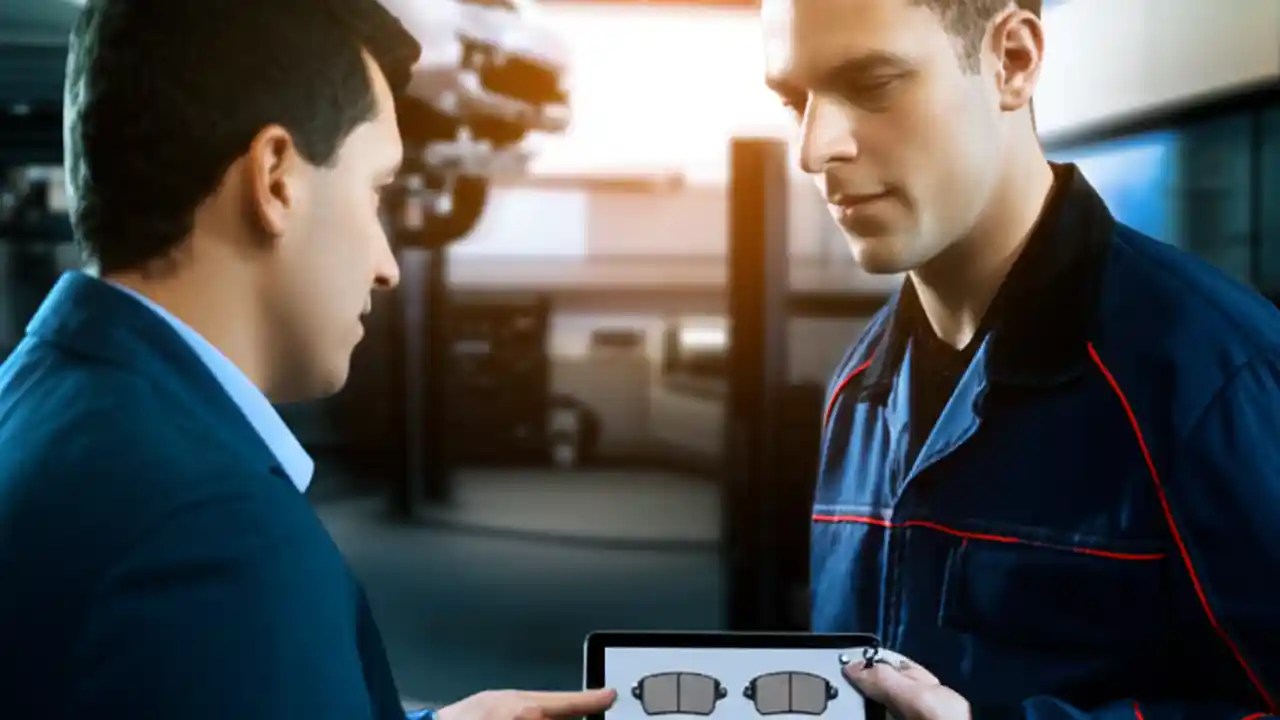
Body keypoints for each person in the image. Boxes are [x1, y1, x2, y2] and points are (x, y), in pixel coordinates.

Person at [0, 1, 616, 719]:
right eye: (376, 191)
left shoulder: (37, 402)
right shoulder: (217, 539)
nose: (387, 264)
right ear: (277, 178)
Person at [760, 0, 1280, 718]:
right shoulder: (858, 387)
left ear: (1013, 60)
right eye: (794, 102)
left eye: (873, 85)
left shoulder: (1211, 379)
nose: (814, 150)